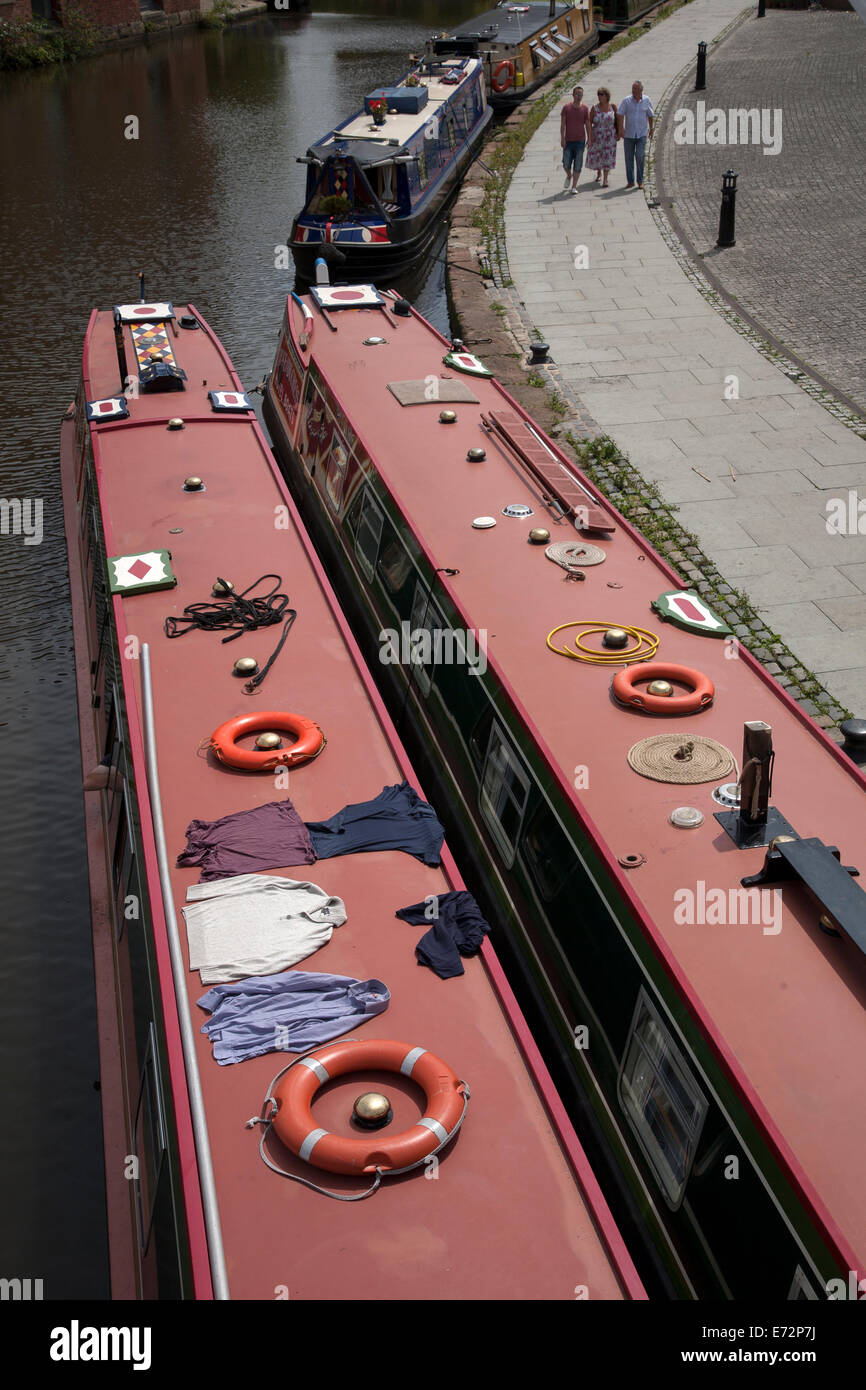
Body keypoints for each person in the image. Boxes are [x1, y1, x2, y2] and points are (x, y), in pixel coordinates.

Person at [617, 80, 654, 189]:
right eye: (633, 89)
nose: (633, 91)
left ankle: (640, 181)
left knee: (640, 156)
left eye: (636, 89)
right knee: (628, 158)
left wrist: (651, 128)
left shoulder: (647, 100)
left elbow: (650, 115)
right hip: (629, 134)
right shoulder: (626, 101)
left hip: (641, 134)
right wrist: (621, 128)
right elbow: (620, 114)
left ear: (641, 90)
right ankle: (630, 181)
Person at [586, 87, 619, 189]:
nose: (599, 97)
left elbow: (617, 120)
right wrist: (590, 136)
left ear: (606, 96)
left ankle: (605, 179)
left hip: (610, 136)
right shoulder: (594, 108)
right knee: (598, 155)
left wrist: (618, 132)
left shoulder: (613, 107)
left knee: (607, 157)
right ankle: (599, 173)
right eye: (598, 95)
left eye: (602, 95)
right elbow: (589, 122)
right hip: (598, 135)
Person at [560, 85, 589, 194]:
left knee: (578, 164)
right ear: (573, 95)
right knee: (566, 164)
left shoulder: (585, 108)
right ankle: (569, 175)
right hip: (568, 141)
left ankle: (574, 186)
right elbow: (563, 124)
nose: (578, 97)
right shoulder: (566, 108)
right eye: (577, 94)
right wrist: (562, 138)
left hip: (580, 141)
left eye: (580, 95)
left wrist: (590, 138)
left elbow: (587, 124)